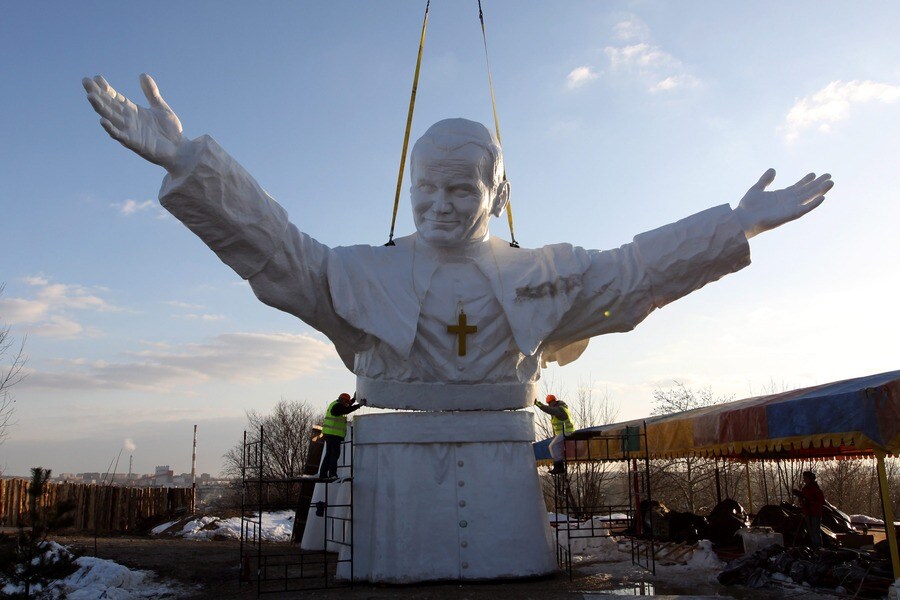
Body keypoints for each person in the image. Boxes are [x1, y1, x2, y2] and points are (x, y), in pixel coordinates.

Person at [82, 74, 834, 582]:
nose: (439, 205)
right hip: (392, 487)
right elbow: (275, 248)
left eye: (460, 188)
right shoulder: (359, 273)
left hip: (505, 481)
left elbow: (635, 273)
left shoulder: (544, 273)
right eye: (425, 189)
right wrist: (190, 162)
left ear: (497, 192)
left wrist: (735, 227)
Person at [319, 392, 364, 480]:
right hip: (333, 435)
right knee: (334, 455)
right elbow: (346, 410)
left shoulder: (336, 404)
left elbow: (346, 407)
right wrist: (359, 405)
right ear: (343, 400)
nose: (347, 403)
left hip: (329, 434)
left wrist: (353, 400)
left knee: (329, 454)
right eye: (346, 401)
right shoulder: (338, 407)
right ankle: (332, 474)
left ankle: (323, 474)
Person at [534, 394, 574, 474]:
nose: (549, 405)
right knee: (556, 447)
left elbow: (549, 410)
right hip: (565, 432)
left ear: (553, 402)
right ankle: (558, 466)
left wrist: (537, 404)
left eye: (549, 403)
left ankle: (559, 466)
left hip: (566, 432)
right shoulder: (562, 408)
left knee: (552, 446)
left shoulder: (559, 409)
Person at [793, 470, 826, 548]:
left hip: (815, 513)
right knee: (810, 531)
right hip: (807, 513)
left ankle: (818, 547)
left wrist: (811, 502)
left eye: (806, 478)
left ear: (810, 479)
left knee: (815, 530)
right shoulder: (805, 489)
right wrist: (801, 500)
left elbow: (821, 501)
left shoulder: (815, 489)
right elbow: (802, 500)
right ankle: (814, 546)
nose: (804, 480)